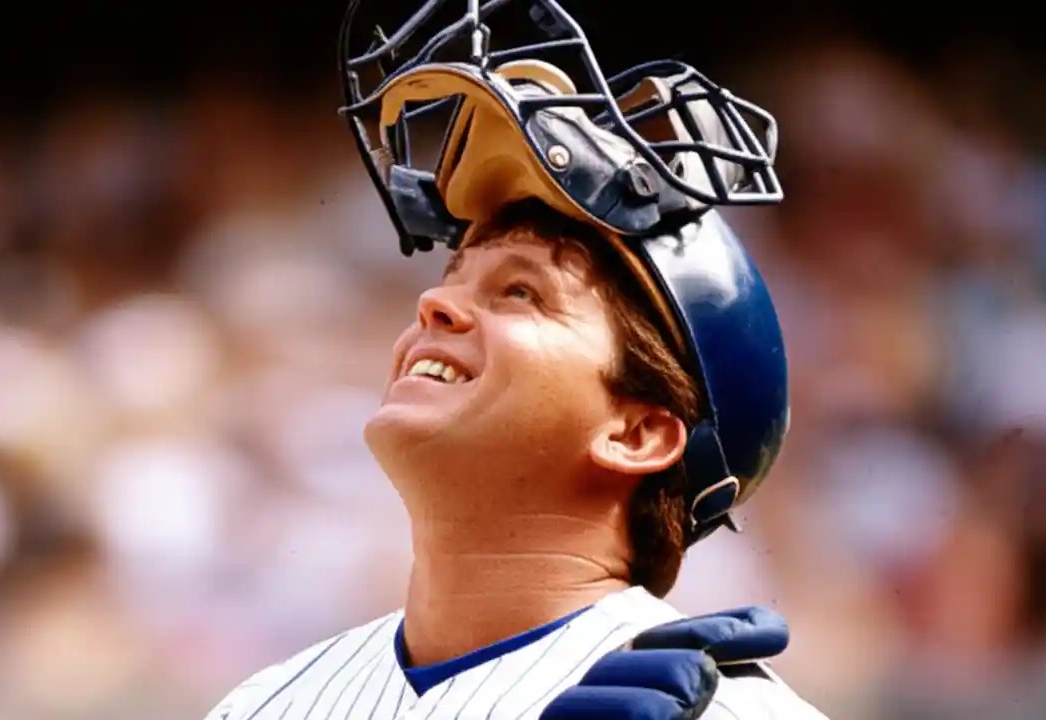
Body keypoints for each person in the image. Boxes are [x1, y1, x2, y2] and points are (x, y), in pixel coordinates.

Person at [203, 1, 828, 718]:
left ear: (636, 433)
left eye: (520, 292)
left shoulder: (713, 710)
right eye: (451, 278)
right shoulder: (267, 702)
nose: (435, 306)